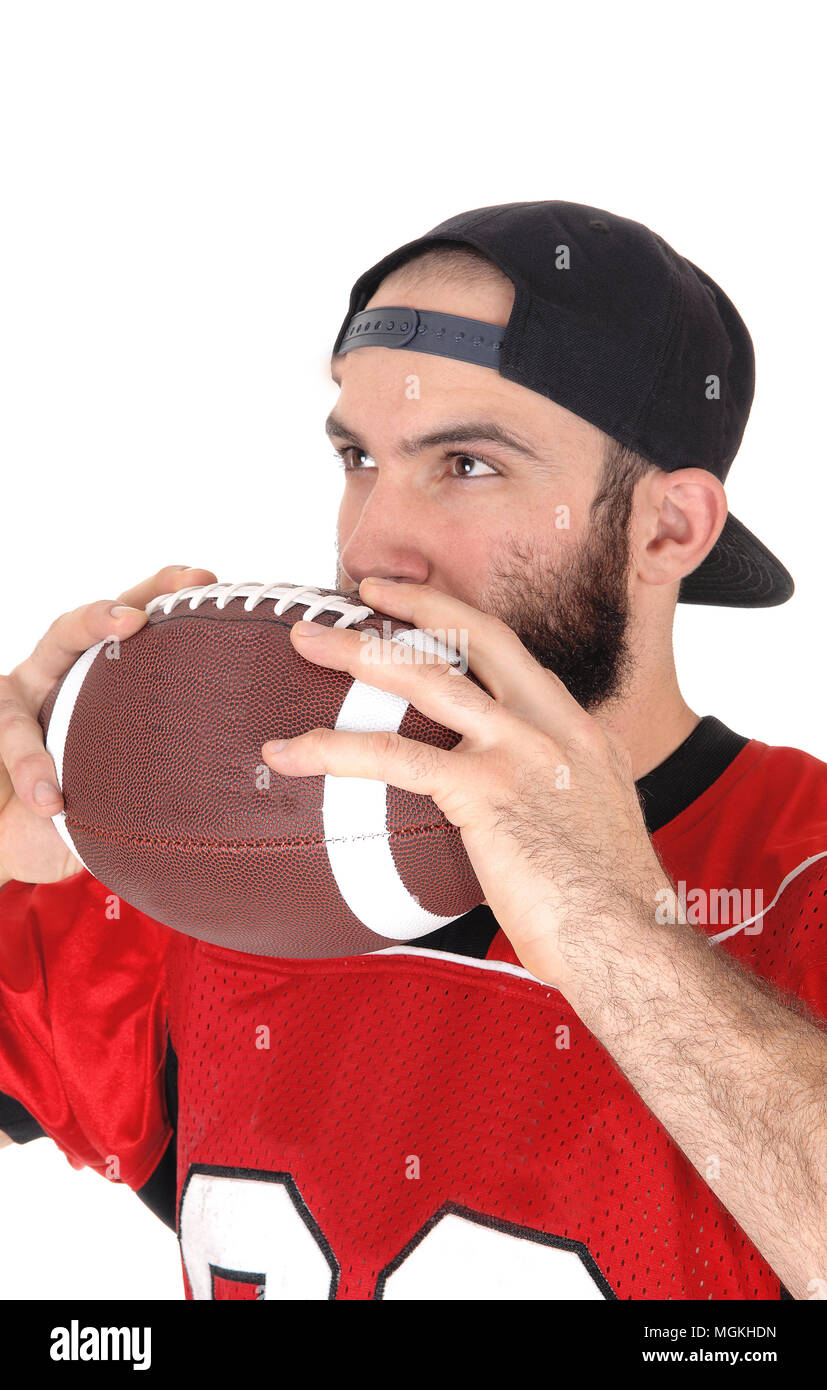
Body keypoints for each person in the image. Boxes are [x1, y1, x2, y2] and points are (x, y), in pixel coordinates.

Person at [1, 202, 825, 1301]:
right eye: (357, 457)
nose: (367, 545)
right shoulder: (216, 864)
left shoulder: (798, 871)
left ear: (667, 528)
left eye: (468, 465)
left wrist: (609, 927)